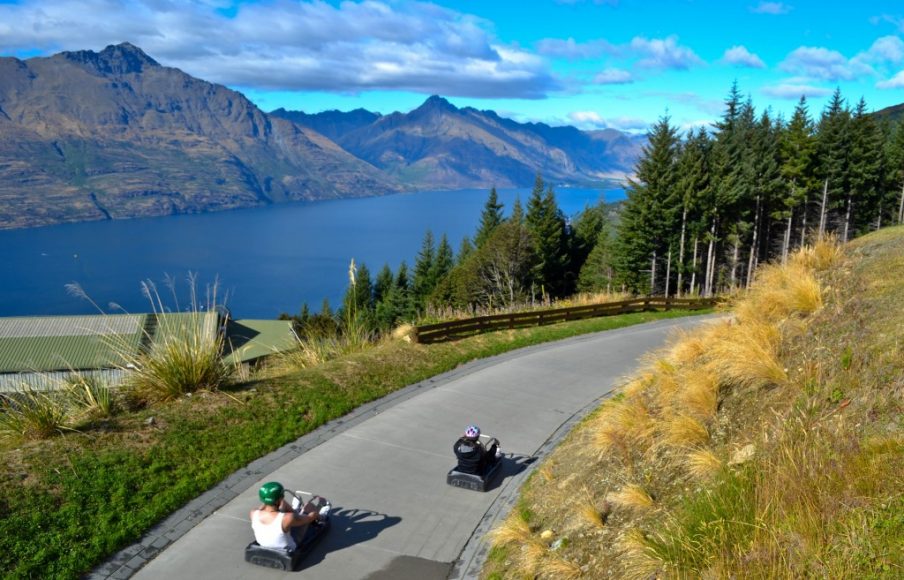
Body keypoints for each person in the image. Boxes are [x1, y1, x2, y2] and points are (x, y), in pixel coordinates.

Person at [250, 481, 327, 551]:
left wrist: (274, 499)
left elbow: (267, 505)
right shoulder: (287, 518)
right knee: (308, 506)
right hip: (288, 547)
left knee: (283, 504)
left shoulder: (253, 513)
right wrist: (315, 514)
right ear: (280, 498)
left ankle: (295, 509)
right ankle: (322, 517)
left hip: (263, 544)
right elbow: (309, 519)